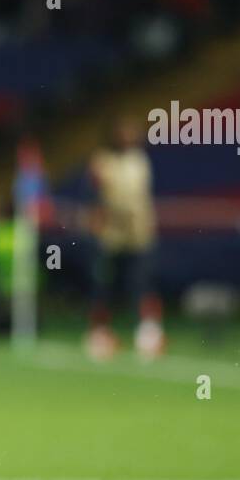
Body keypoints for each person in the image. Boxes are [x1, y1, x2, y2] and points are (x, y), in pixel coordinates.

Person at [85, 116, 164, 361]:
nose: (130, 137)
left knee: (141, 283)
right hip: (111, 234)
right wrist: (97, 218)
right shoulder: (101, 161)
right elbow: (94, 194)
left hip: (138, 233)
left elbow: (141, 197)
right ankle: (99, 334)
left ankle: (148, 334)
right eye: (125, 132)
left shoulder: (139, 161)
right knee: (104, 285)